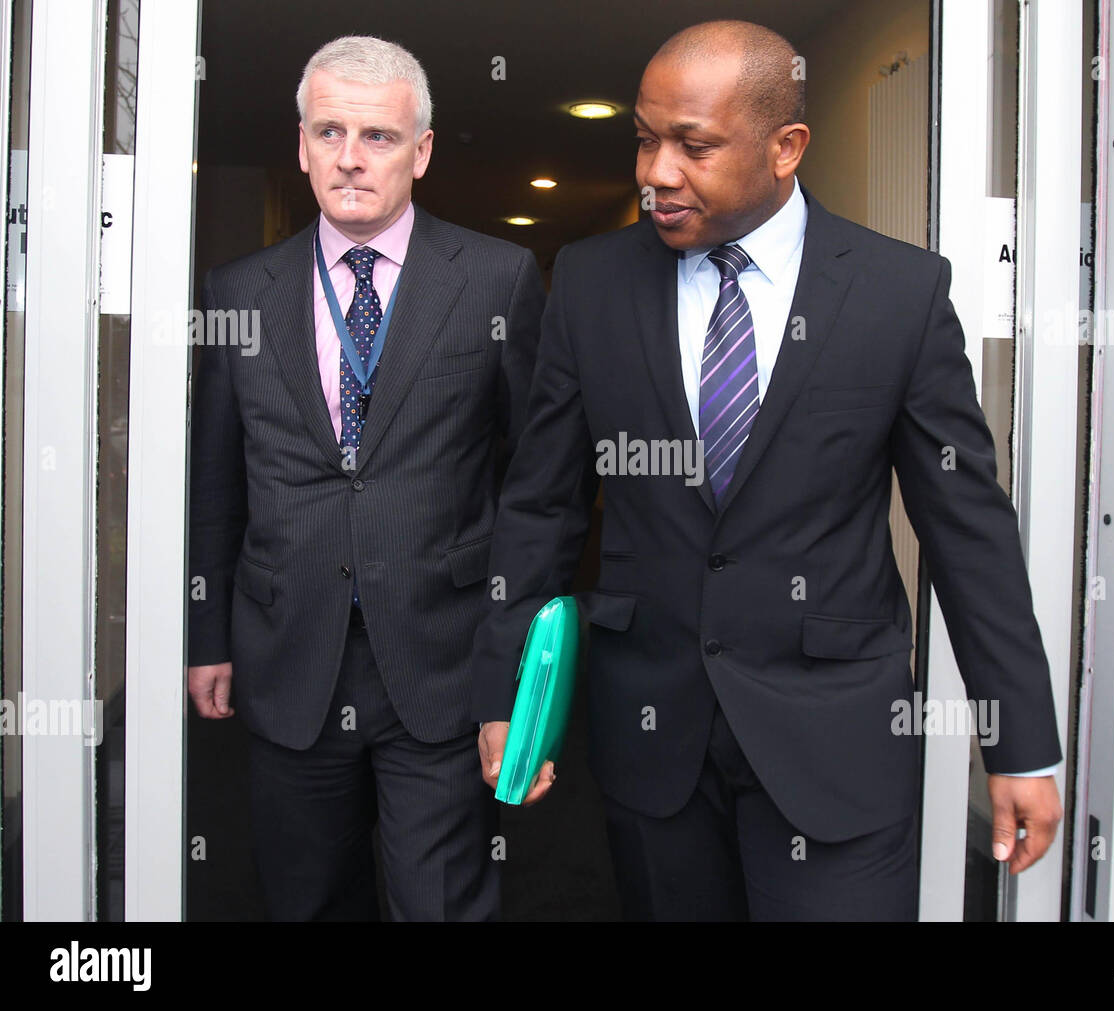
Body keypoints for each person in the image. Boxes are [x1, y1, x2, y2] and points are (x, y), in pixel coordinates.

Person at [471, 19, 1063, 921]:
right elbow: (541, 503)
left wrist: (1018, 740)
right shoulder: (591, 283)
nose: (656, 172)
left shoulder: (899, 293)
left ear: (786, 147)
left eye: (693, 145)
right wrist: (508, 691)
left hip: (836, 740)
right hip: (651, 732)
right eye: (645, 139)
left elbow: (967, 528)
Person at [187, 35, 544, 920]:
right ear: (302, 145)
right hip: (287, 652)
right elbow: (216, 480)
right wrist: (207, 631)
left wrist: (516, 670)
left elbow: (533, 485)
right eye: (330, 132)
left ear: (421, 151)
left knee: (441, 903)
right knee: (306, 900)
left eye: (378, 136)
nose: (350, 157)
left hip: (442, 658)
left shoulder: (497, 280)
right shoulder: (236, 291)